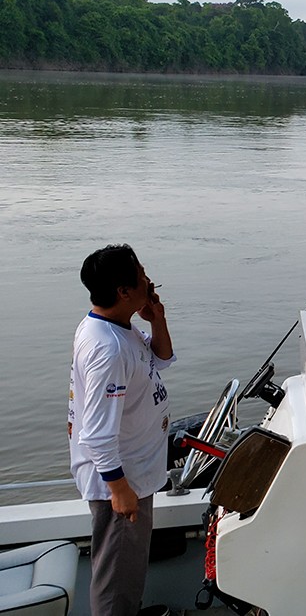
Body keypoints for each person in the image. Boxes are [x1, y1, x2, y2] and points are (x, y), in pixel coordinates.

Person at [70, 244, 174, 616]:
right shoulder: (108, 349)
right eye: (142, 274)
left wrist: (157, 319)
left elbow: (161, 358)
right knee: (116, 583)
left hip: (134, 473)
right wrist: (119, 490)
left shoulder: (118, 328)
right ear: (123, 291)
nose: (149, 279)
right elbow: (96, 434)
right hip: (121, 480)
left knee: (127, 572)